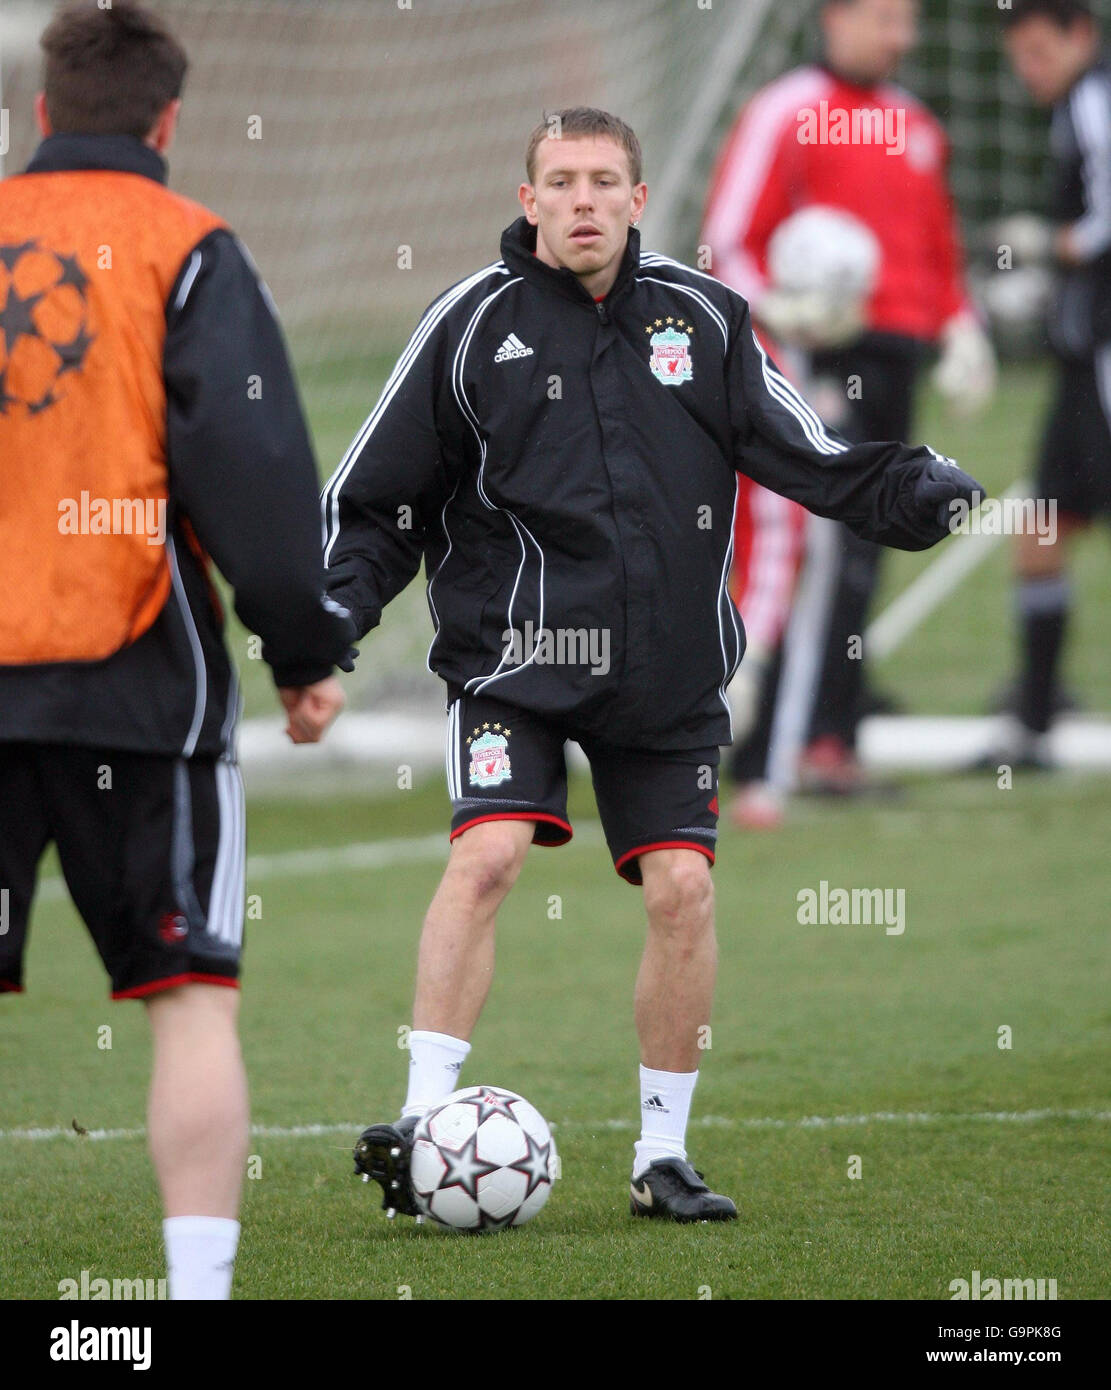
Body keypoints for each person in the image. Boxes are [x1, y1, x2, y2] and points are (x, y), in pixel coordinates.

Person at [324, 106, 981, 1223]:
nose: (583, 200)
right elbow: (376, 498)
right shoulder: (468, 327)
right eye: (561, 181)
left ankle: (662, 1156)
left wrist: (916, 488)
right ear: (528, 201)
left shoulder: (705, 320)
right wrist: (334, 612)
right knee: (485, 857)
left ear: (637, 199)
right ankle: (423, 1129)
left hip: (665, 670)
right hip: (514, 660)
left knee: (682, 888)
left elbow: (806, 454)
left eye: (603, 181)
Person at [0, 1, 353, 1298]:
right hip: (136, 679)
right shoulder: (190, 247)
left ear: (40, 112)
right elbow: (252, 468)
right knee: (189, 991)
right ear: (167, 119)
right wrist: (304, 648)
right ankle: (191, 1299)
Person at [702, 0, 996, 800]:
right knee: (810, 544)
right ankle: (761, 738)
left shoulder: (916, 127)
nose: (897, 36)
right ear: (833, 18)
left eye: (906, 21)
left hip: (896, 358)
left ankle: (830, 737)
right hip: (816, 357)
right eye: (881, 18)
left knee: (868, 551)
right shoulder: (783, 113)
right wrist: (776, 308)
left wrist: (960, 327)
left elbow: (938, 248)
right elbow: (727, 240)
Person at [995, 0, 1111, 766]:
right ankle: (1033, 716)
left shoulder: (1095, 97)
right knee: (1040, 523)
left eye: (1039, 51)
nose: (1026, 70)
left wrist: (1048, 245)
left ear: (1081, 36)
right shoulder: (1072, 104)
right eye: (1019, 55)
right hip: (1079, 357)